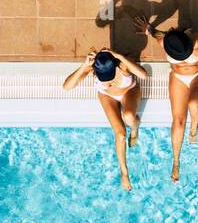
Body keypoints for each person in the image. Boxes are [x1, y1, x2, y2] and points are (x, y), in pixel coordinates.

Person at [140, 19, 198, 182]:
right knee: (178, 120)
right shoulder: (164, 42)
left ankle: (194, 126)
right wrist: (149, 29)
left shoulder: (196, 40)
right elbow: (156, 34)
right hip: (178, 77)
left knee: (193, 103)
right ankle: (176, 161)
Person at [61, 49, 147, 191]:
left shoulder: (121, 64)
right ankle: (124, 172)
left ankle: (135, 128)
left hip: (128, 92)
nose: (108, 82)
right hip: (107, 97)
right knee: (120, 135)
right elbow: (66, 86)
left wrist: (120, 56)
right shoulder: (93, 66)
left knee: (129, 117)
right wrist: (84, 66)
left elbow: (143, 75)